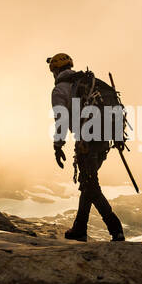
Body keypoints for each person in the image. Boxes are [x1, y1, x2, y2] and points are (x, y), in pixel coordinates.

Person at [48, 52, 124, 242]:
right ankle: (79, 229)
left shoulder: (60, 90)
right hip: (103, 141)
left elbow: (61, 120)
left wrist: (58, 145)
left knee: (90, 185)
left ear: (55, 70)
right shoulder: (90, 83)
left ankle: (115, 228)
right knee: (88, 183)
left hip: (85, 143)